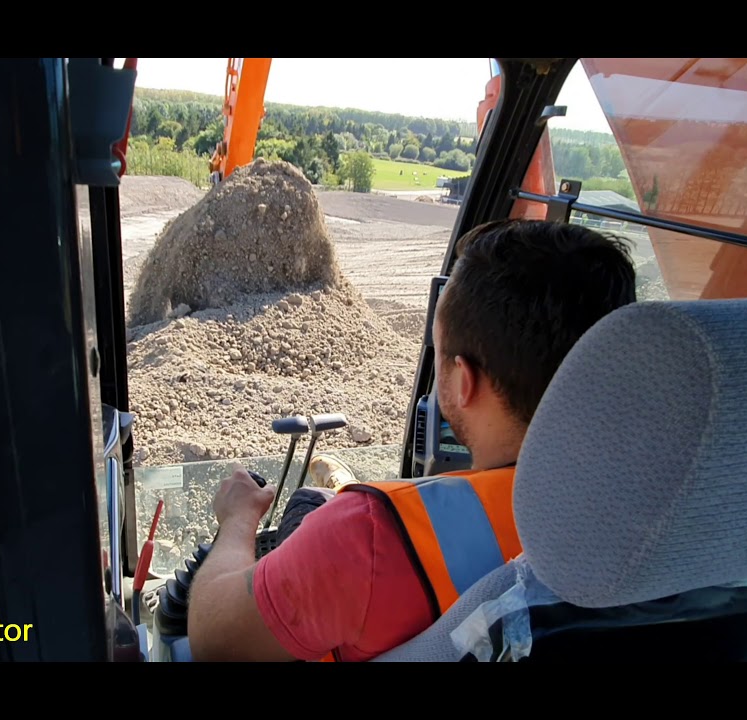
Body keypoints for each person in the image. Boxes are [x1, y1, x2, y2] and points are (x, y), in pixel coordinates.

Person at [185, 218, 639, 661]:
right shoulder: (675, 525)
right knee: (315, 498)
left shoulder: (368, 534)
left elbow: (213, 639)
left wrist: (238, 519)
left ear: (464, 380)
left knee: (308, 505)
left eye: (440, 354)